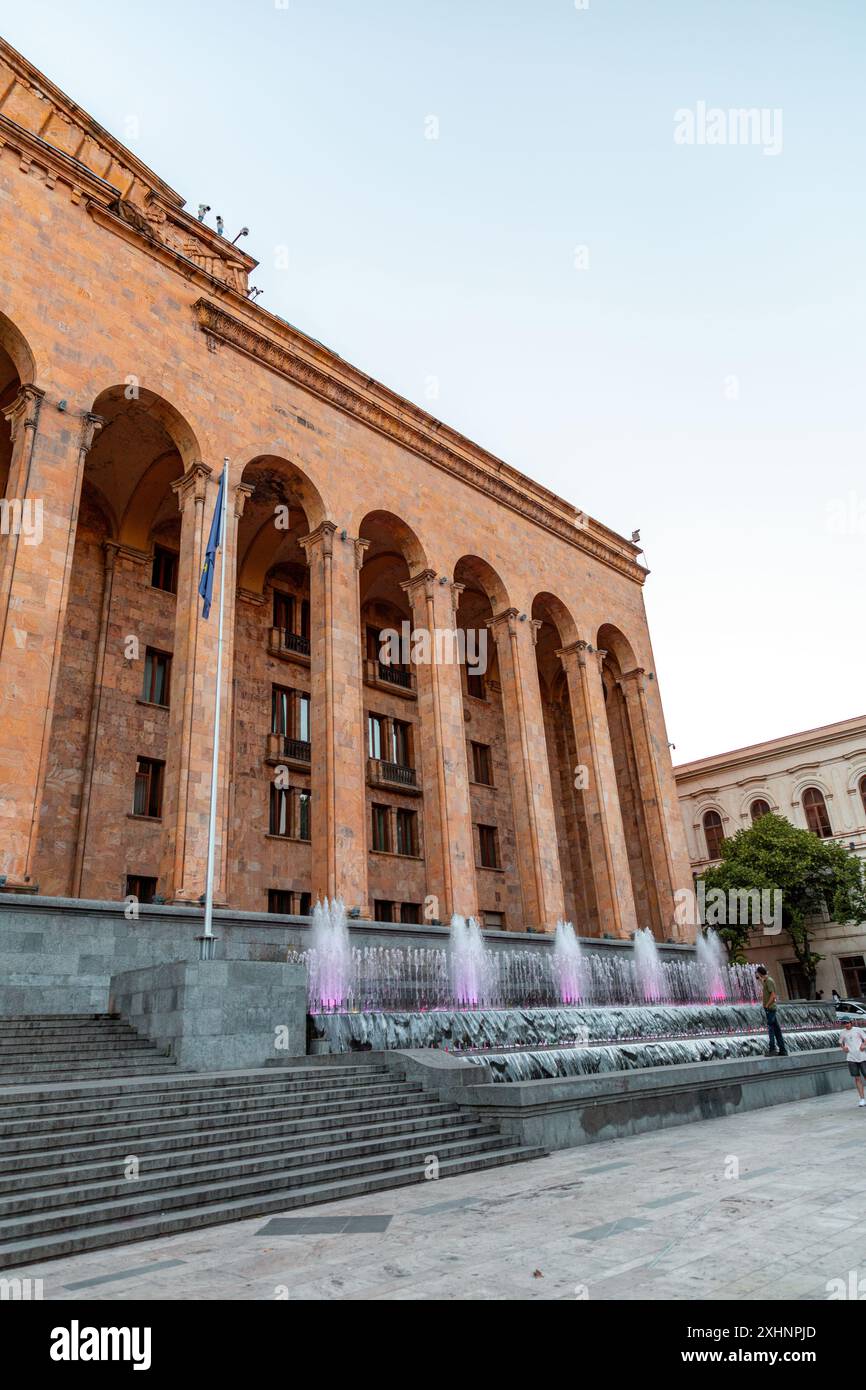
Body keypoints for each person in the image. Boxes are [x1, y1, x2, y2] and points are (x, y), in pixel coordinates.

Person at [756, 965, 788, 1057]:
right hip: (771, 1008)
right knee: (777, 1030)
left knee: (771, 1029)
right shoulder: (767, 981)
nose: (756, 974)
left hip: (770, 1009)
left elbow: (773, 995)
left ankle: (772, 1049)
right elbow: (766, 987)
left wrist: (766, 1005)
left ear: (759, 973)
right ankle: (783, 1050)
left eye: (757, 973)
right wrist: (760, 980)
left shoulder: (769, 981)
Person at [840, 1018, 866, 1106]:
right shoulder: (842, 1033)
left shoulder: (858, 1030)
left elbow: (865, 1039)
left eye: (847, 1023)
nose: (846, 1025)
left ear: (851, 1023)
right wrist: (843, 1048)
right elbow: (841, 1043)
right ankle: (862, 1099)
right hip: (851, 1058)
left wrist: (863, 1045)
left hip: (862, 1057)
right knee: (857, 1078)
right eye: (844, 1023)